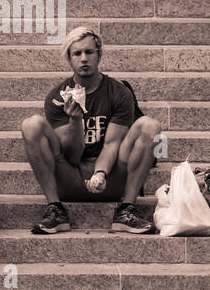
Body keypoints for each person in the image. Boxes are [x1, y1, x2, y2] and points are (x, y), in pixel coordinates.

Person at [20, 27, 163, 235]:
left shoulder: (119, 93)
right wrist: (75, 121)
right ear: (69, 59)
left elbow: (112, 144)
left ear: (99, 55)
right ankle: (56, 210)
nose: (84, 58)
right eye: (77, 53)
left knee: (150, 125)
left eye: (89, 52)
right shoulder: (57, 97)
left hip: (111, 175)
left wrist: (100, 173)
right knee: (31, 124)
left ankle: (126, 210)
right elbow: (72, 155)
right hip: (70, 176)